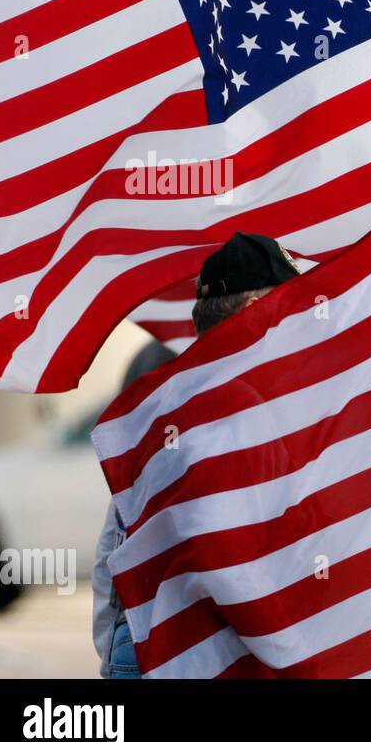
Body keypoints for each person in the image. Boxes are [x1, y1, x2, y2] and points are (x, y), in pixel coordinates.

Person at [93, 233, 301, 678]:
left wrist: (120, 655)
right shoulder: (235, 408)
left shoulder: (170, 401)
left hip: (151, 647)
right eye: (288, 303)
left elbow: (112, 551)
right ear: (253, 312)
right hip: (206, 654)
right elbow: (230, 562)